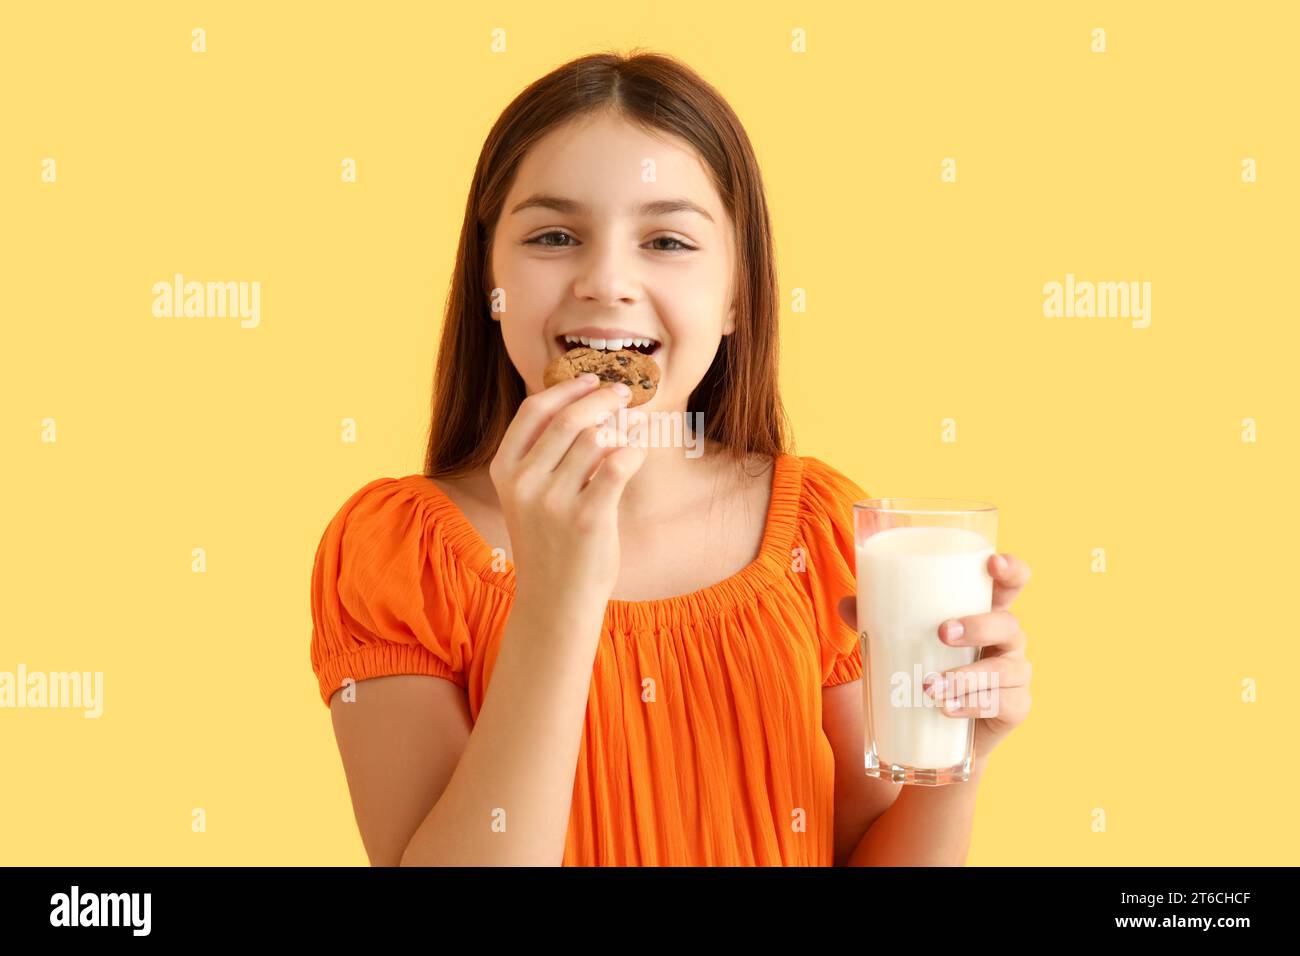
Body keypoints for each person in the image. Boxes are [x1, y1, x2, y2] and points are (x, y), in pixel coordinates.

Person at [309, 49, 1034, 866]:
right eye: (553, 236)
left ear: (734, 294)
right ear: (490, 280)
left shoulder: (824, 535)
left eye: (666, 240)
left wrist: (955, 760)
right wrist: (558, 597)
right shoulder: (398, 556)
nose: (607, 281)